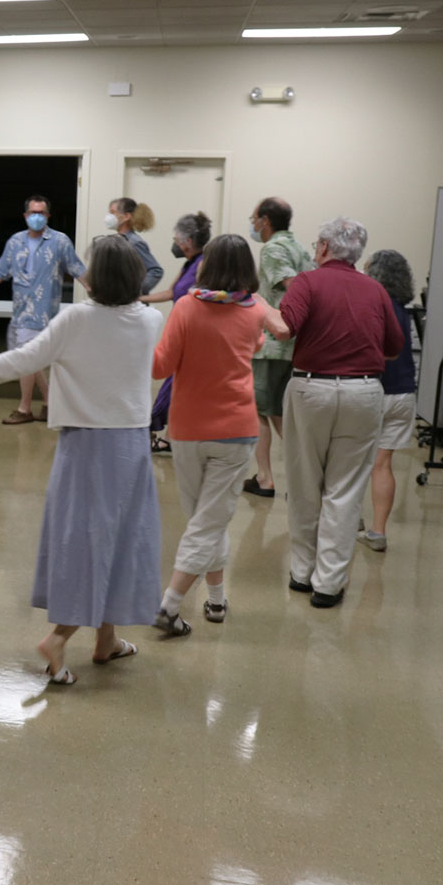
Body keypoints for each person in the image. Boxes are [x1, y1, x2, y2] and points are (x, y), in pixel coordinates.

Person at [0, 235, 163, 684]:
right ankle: (61, 638)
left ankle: (102, 640)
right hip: (130, 446)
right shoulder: (150, 319)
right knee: (121, 539)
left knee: (89, 541)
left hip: (85, 446)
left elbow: (22, 360)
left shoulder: (76, 319)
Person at [263, 217, 404, 607]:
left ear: (324, 247)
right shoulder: (375, 290)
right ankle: (328, 584)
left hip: (310, 388)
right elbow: (393, 348)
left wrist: (257, 305)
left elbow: (283, 329)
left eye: (315, 244)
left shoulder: (307, 282)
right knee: (345, 489)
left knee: (305, 481)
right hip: (363, 392)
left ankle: (301, 573)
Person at [149, 234, 267, 637]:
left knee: (205, 519)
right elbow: (259, 341)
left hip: (186, 430)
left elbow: (160, 365)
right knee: (209, 521)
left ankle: (213, 599)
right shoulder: (253, 313)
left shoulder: (185, 307)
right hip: (235, 429)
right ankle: (170, 605)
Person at [0, 195, 78, 424]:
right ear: (25, 216)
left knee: (26, 359)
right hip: (21, 311)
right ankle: (50, 404)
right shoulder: (15, 242)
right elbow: (0, 272)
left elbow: (77, 269)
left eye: (41, 213)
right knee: (32, 359)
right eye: (33, 213)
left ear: (48, 216)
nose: (37, 217)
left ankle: (24, 409)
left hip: (44, 313)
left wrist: (100, 293)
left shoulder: (60, 241)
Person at [244, 197, 314, 498]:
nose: (252, 223)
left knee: (262, 411)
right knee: (277, 411)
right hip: (291, 343)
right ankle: (304, 476)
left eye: (254, 217)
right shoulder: (300, 247)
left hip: (272, 344)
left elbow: (293, 285)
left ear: (265, 222)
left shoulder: (273, 249)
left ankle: (267, 478)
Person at [358, 250, 418, 552]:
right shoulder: (404, 310)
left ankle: (351, 517)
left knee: (353, 461)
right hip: (404, 393)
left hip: (374, 392)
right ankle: (378, 532)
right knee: (383, 464)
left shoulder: (374, 306)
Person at [141, 211, 212, 452]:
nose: (174, 244)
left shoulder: (204, 264)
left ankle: (152, 428)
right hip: (180, 331)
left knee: (173, 385)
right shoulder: (189, 264)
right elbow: (171, 293)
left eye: (176, 239)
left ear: (187, 242)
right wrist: (139, 297)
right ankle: (169, 437)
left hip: (194, 334)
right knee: (176, 386)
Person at [105, 196, 164, 293]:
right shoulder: (116, 240)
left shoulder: (134, 242)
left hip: (130, 303)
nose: (109, 216)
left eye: (113, 212)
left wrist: (135, 292)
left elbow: (156, 271)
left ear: (126, 216)